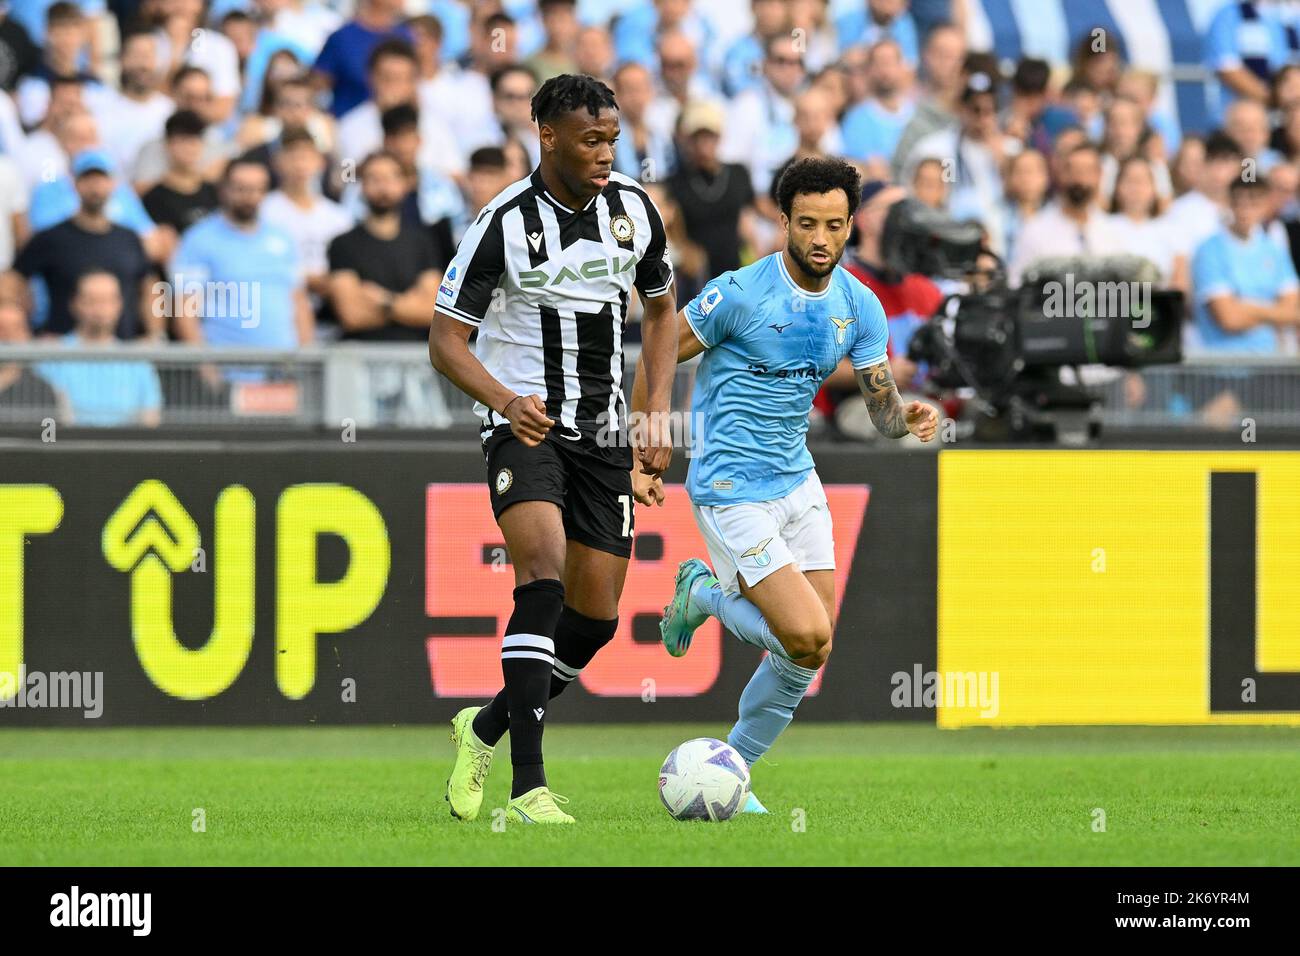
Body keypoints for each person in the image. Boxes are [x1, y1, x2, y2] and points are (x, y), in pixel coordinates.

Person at [639, 157, 937, 812]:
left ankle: (732, 772)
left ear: (851, 225)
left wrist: (904, 416)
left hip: (798, 484)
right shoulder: (740, 293)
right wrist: (648, 436)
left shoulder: (858, 305)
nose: (821, 239)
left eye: (834, 225)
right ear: (782, 222)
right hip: (730, 487)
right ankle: (703, 593)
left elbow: (881, 405)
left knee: (809, 651)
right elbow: (659, 339)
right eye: (807, 224)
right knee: (804, 636)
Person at [431, 74, 677, 825]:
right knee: (540, 578)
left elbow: (664, 313)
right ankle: (527, 786)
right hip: (524, 426)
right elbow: (446, 341)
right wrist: (505, 401)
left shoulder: (635, 211)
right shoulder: (501, 221)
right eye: (590, 139)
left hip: (603, 433)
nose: (606, 153)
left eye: (612, 139)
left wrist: (654, 415)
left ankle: (485, 725)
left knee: (593, 620)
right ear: (547, 135)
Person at [9, 150, 157, 339]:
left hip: (122, 355)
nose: (95, 187)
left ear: (113, 184)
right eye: (88, 179)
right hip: (62, 357)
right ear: (75, 184)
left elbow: (149, 285)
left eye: (101, 179)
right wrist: (28, 331)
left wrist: (154, 334)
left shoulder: (129, 238)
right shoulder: (51, 238)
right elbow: (13, 281)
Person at [171, 158, 313, 348]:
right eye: (241, 188)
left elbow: (299, 301)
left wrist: (304, 358)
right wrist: (207, 368)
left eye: (257, 189)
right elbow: (185, 310)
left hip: (284, 367)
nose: (249, 196)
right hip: (227, 368)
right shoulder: (199, 239)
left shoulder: (282, 238)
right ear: (223, 190)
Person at [325, 150, 438, 341]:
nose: (382, 186)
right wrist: (410, 306)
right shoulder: (342, 244)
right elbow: (352, 316)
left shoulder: (423, 242)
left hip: (415, 358)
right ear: (361, 186)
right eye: (374, 178)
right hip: (359, 357)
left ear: (405, 184)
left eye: (390, 178)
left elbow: (432, 313)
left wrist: (385, 301)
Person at [34, 270, 163, 427]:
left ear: (120, 304)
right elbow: (49, 417)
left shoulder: (138, 361)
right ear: (74, 303)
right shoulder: (51, 356)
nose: (101, 308)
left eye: (108, 300)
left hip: (126, 447)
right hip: (69, 446)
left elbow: (150, 418)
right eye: (92, 300)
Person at [1192, 176, 1300, 354]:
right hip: (1221, 367)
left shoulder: (1273, 248)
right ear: (1229, 203)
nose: (1245, 210)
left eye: (1253, 203)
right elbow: (1229, 318)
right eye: (1238, 202)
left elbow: (1293, 310)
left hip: (1268, 365)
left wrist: (1246, 307)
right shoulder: (1209, 249)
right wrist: (1274, 313)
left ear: (1266, 205)